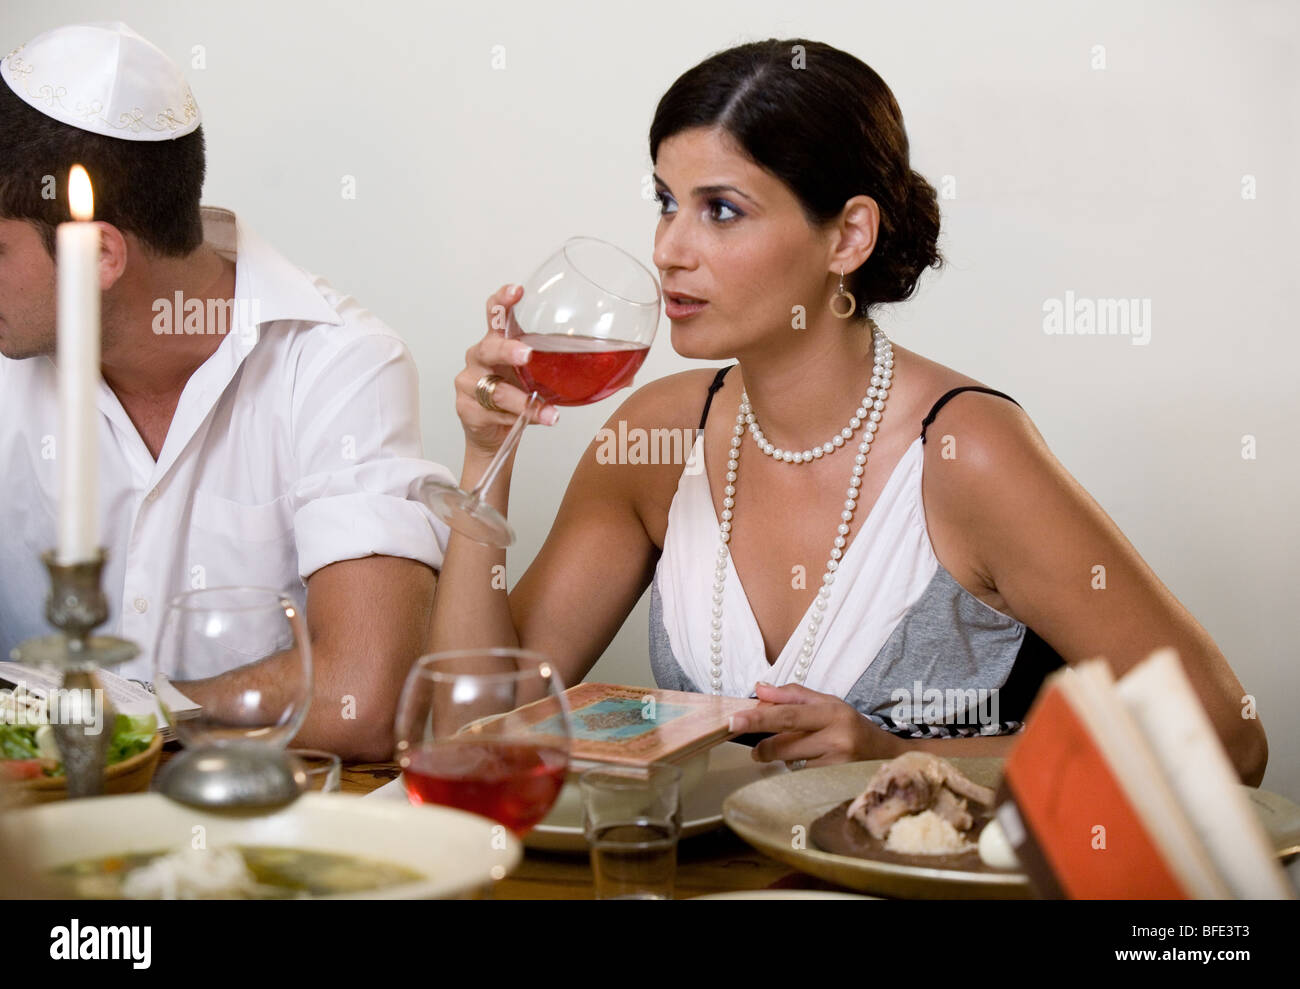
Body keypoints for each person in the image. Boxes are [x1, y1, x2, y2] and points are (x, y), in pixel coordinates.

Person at [428, 38, 1267, 784]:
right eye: (665, 201)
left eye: (721, 209)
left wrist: (898, 755)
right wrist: (485, 459)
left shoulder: (966, 450)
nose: (669, 249)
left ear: (849, 237)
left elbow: (1228, 739)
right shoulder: (656, 439)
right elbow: (469, 735)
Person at [0, 23, 453, 761]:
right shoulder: (13, 344)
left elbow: (361, 699)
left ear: (99, 255)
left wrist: (119, 718)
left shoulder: (340, 368)